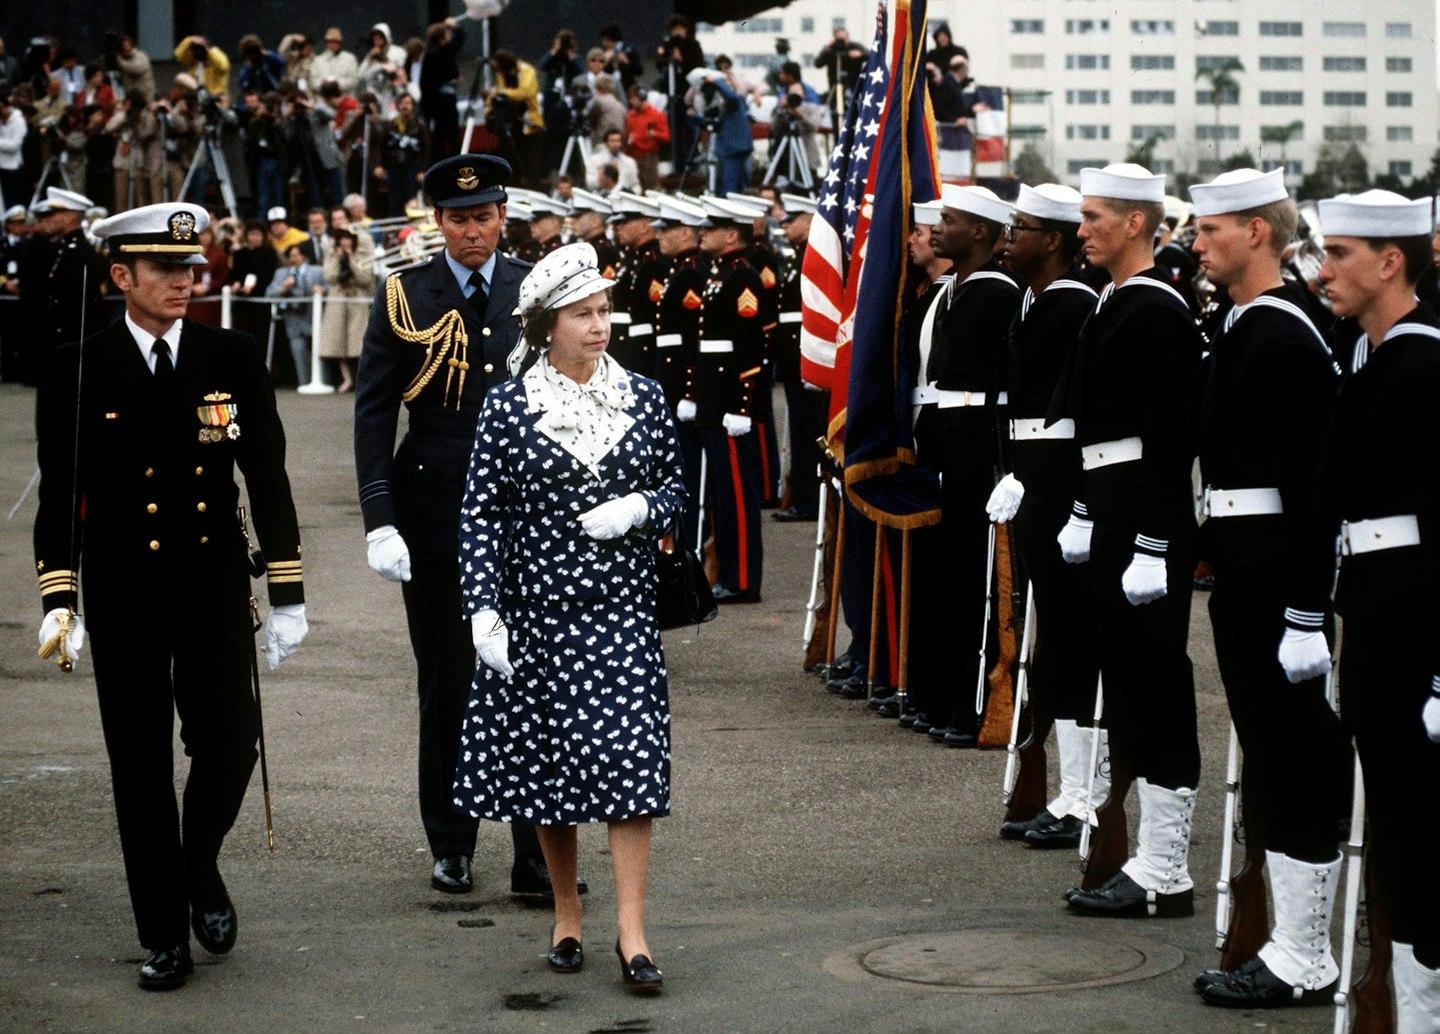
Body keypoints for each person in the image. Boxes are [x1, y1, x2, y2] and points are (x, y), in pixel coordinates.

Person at [32, 201, 307, 990]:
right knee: (140, 764)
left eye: (190, 268)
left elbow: (268, 473)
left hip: (213, 581)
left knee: (230, 744)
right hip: (124, 592)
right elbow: (62, 494)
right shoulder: (77, 365)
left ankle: (200, 865)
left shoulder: (232, 354)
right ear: (121, 276)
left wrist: (285, 588)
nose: (186, 282)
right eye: (164, 270)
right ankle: (163, 932)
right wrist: (61, 594)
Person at [455, 240, 683, 991]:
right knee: (552, 771)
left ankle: (633, 932)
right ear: (545, 325)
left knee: (628, 769)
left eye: (603, 310)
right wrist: (483, 609)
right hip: (539, 611)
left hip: (620, 610)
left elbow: (678, 489)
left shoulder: (644, 397)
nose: (598, 325)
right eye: (582, 314)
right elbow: (480, 513)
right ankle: (565, 914)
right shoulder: (509, 405)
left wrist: (641, 507)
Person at [353, 154, 571, 900]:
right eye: (457, 219)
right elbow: (374, 410)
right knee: (449, 681)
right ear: (436, 223)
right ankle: (451, 841)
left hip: (529, 513)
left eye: (483, 218)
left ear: (503, 216)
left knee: (533, 680)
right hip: (434, 511)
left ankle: (537, 848)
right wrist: (379, 516)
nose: (472, 231)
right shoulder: (405, 294)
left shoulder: (537, 289)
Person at [1180, 168, 1348, 1006]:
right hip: (1244, 569)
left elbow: (1318, 485)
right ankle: (1287, 940)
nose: (1198, 244)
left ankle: (1306, 952)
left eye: (1212, 231)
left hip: (1280, 573)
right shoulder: (1241, 325)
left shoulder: (1284, 334)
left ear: (1257, 233)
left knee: (1295, 756)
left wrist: (1306, 610)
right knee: (1271, 751)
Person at [1055, 163, 1204, 919]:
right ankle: (1145, 857)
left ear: (1136, 223)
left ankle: (1166, 865)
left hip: (1146, 519)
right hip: (1111, 508)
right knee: (1127, 679)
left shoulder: (1157, 310)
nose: (1082, 231)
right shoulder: (1114, 302)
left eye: (1094, 217)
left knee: (1155, 684)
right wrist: (1085, 506)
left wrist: (1151, 539)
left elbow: (1169, 436)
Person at [1313, 190, 1440, 1028]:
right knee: (1395, 828)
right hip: (1373, 614)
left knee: (1424, 833)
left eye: (1341, 255)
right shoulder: (1368, 355)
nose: (1323, 272)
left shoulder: (1427, 364)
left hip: (1416, 627)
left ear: (1391, 262)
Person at [986, 184, 1106, 844]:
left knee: (1074, 639)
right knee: (1052, 639)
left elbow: (1080, 420)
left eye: (1022, 228)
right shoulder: (1033, 303)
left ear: (1052, 241)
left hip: (1064, 488)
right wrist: (1013, 472)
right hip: (1035, 481)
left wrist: (1068, 498)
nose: (1009, 239)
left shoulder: (1074, 307)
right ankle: (1068, 786)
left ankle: (1088, 793)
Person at [910, 185, 1020, 744]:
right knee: (943, 576)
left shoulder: (997, 293)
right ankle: (941, 693)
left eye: (949, 221)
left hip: (979, 445)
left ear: (980, 232)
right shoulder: (950, 290)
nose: (935, 230)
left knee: (973, 579)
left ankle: (974, 702)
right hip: (943, 441)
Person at [691, 195, 767, 602]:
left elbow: (751, 348)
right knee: (723, 491)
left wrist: (741, 406)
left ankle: (742, 580)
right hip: (714, 400)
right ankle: (729, 571)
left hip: (730, 405)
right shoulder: (722, 274)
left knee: (737, 494)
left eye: (712, 228)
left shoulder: (743, 278)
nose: (704, 234)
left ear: (732, 234)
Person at [770, 193, 822, 523]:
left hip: (808, 357)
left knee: (808, 432)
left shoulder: (815, 257)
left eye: (793, 219)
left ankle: (810, 498)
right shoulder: (796, 257)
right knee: (800, 432)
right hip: (794, 360)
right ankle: (801, 495)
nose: (786, 226)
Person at [18, 187, 102, 386]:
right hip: (59, 343)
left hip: (71, 342)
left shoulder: (79, 253)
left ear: (69, 217)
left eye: (55, 213)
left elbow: (81, 306)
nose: (51, 218)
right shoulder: (64, 248)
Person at [605, 190, 665, 376]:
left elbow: (652, 317)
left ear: (645, 226)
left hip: (641, 352)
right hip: (623, 347)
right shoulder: (633, 260)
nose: (618, 228)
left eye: (624, 222)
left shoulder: (653, 263)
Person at [319, 227, 374, 391]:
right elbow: (330, 276)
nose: (345, 245)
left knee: (358, 341)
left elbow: (364, 278)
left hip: (357, 300)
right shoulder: (331, 255)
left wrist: (350, 260)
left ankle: (361, 380)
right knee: (339, 341)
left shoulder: (361, 256)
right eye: (342, 242)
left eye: (348, 242)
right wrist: (338, 260)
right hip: (338, 299)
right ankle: (347, 379)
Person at [687, 68, 752, 196]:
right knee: (731, 187)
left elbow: (731, 97)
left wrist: (716, 81)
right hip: (729, 149)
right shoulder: (725, 107)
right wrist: (695, 116)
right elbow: (714, 123)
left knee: (730, 190)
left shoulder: (735, 101)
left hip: (734, 149)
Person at [419, 18, 465, 161]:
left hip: (435, 101)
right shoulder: (439, 52)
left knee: (439, 138)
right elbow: (459, 39)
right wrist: (454, 26)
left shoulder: (431, 53)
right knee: (450, 137)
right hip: (442, 101)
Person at [380, 93, 428, 218]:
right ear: (398, 105)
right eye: (403, 103)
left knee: (411, 199)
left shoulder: (419, 125)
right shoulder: (390, 125)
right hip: (393, 168)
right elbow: (383, 147)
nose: (405, 106)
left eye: (408, 103)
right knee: (394, 200)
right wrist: (383, 166)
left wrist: (422, 170)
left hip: (411, 168)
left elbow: (425, 150)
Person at [623, 86, 668, 190]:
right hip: (632, 156)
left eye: (633, 98)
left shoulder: (656, 114)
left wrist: (655, 134)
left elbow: (666, 136)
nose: (631, 101)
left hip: (648, 158)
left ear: (642, 97)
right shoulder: (630, 115)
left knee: (650, 188)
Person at [587, 128, 640, 193]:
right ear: (605, 144)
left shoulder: (630, 162)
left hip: (623, 198)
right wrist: (601, 181)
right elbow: (589, 183)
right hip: (601, 197)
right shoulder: (595, 160)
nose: (615, 144)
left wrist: (633, 195)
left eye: (618, 141)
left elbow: (635, 185)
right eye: (612, 141)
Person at [312, 28, 359, 95]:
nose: (333, 44)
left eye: (336, 41)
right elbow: (313, 81)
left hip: (344, 98)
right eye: (330, 41)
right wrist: (323, 84)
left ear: (340, 43)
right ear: (326, 43)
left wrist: (336, 84)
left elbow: (354, 80)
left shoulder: (350, 58)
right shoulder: (318, 61)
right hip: (324, 100)